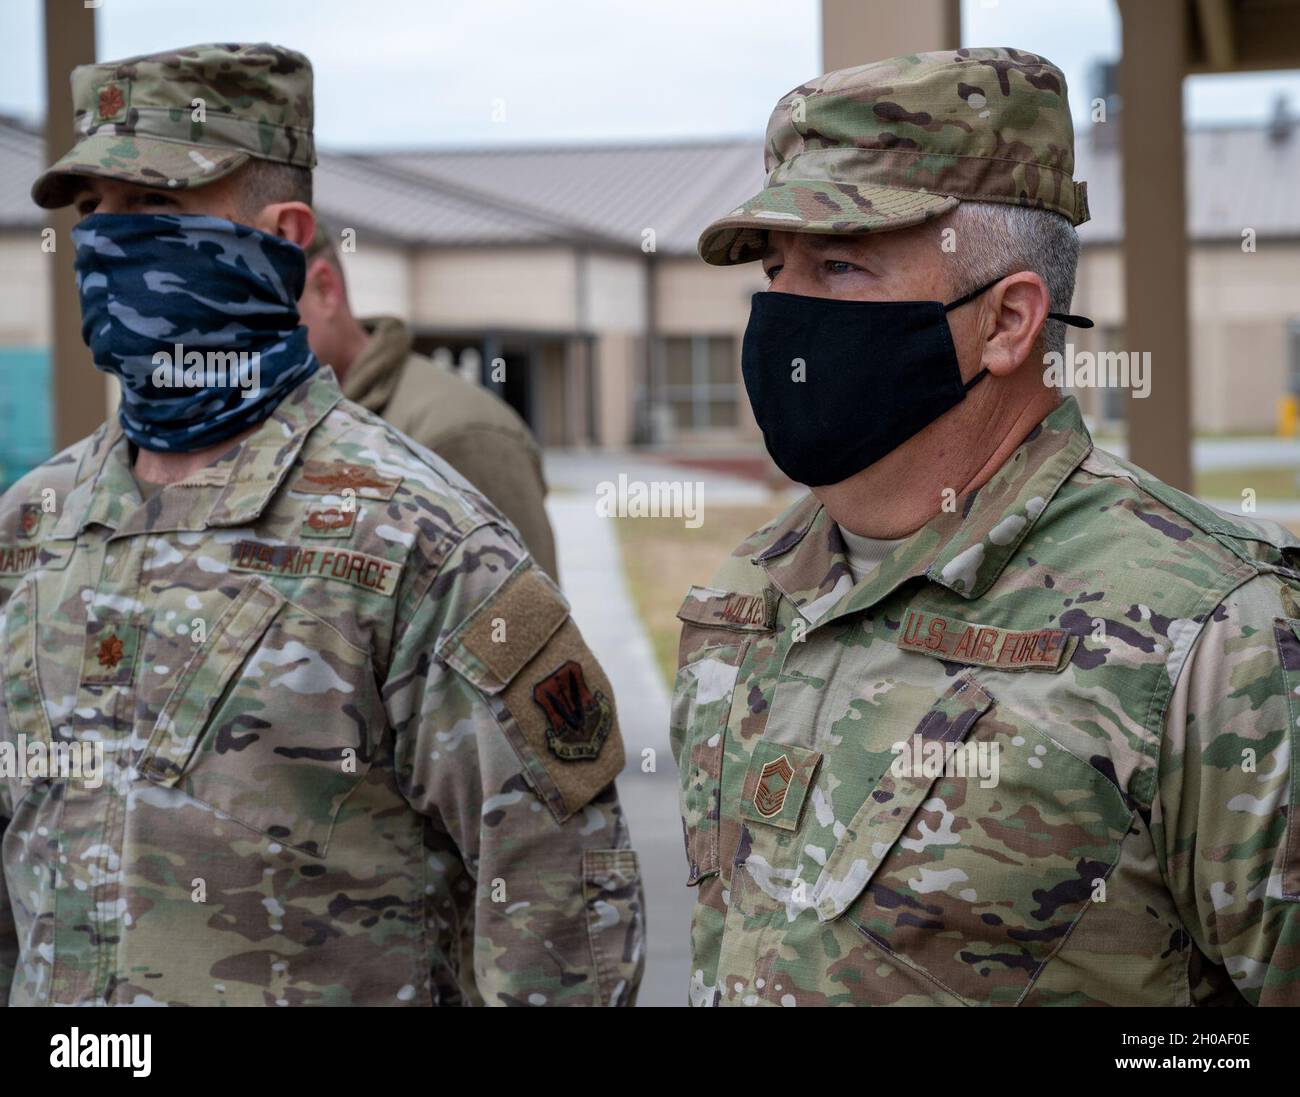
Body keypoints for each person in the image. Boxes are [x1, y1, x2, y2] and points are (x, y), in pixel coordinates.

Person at [0, 42, 642, 1007]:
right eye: (94, 212)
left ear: (283, 236)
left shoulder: (422, 541)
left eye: (156, 211)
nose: (106, 245)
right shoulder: (28, 529)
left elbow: (565, 904)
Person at [670, 46, 1300, 1006]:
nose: (784, 318)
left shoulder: (1218, 638)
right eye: (774, 269)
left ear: (1008, 321)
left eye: (840, 268)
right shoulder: (746, 595)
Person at [297, 228, 558, 580]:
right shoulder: (265, 426)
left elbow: (527, 625)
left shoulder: (460, 433)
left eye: (250, 303)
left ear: (324, 289)